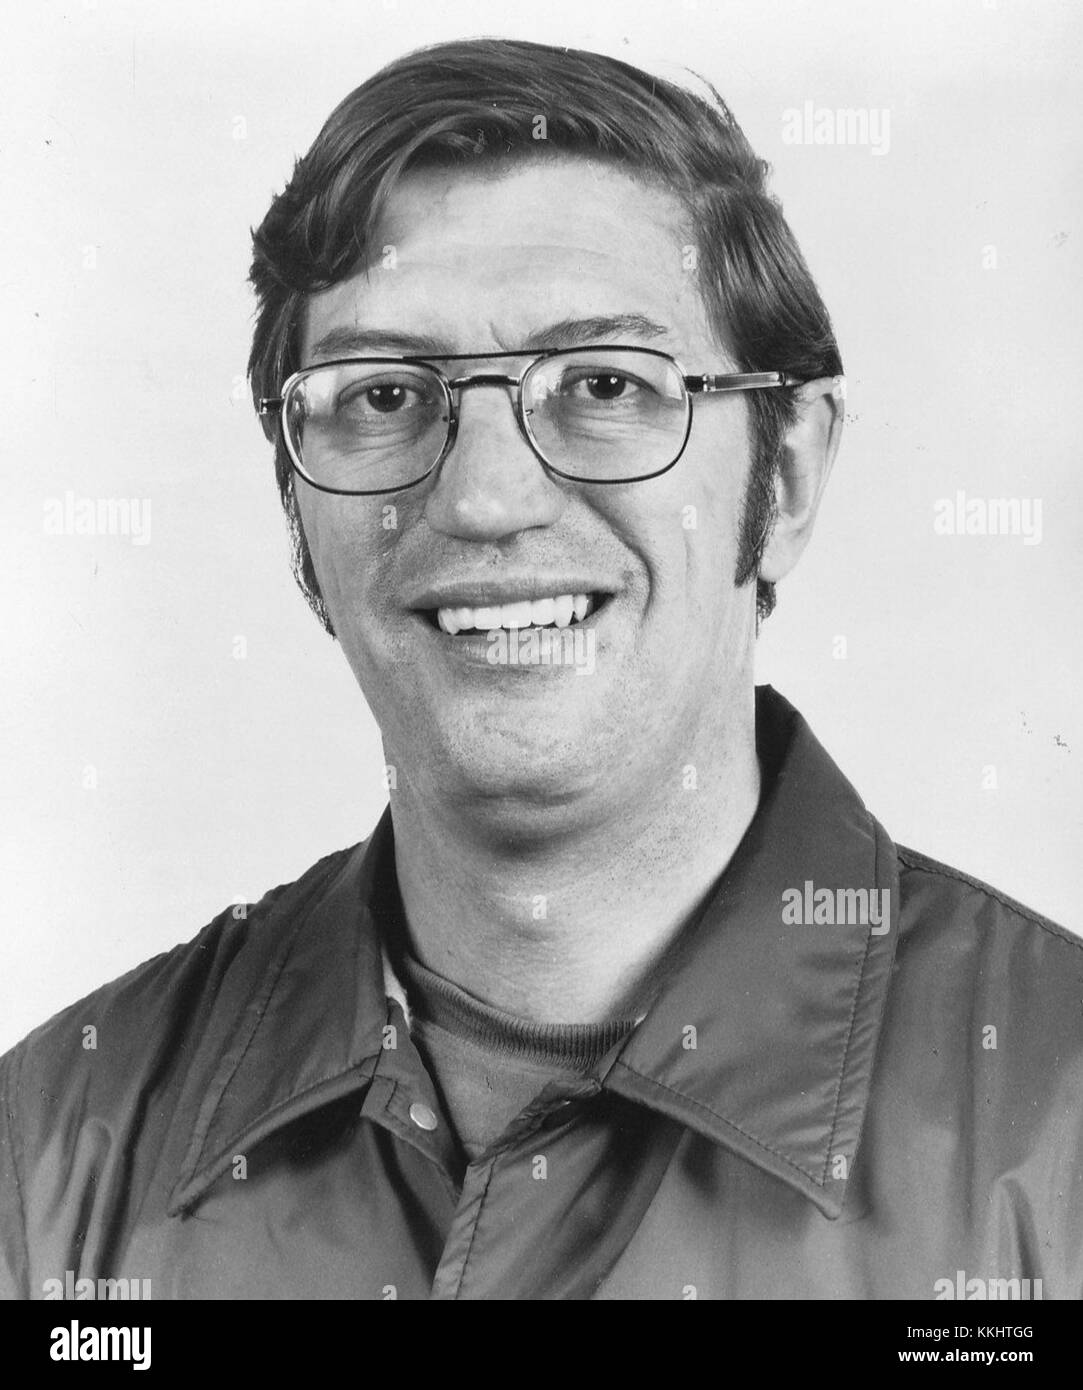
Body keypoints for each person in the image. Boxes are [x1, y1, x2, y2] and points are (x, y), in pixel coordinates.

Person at [2, 38, 1079, 1302]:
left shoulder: (1057, 1134)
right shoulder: (51, 1153)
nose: (488, 496)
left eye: (606, 383)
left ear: (784, 475)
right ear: (297, 513)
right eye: (388, 393)